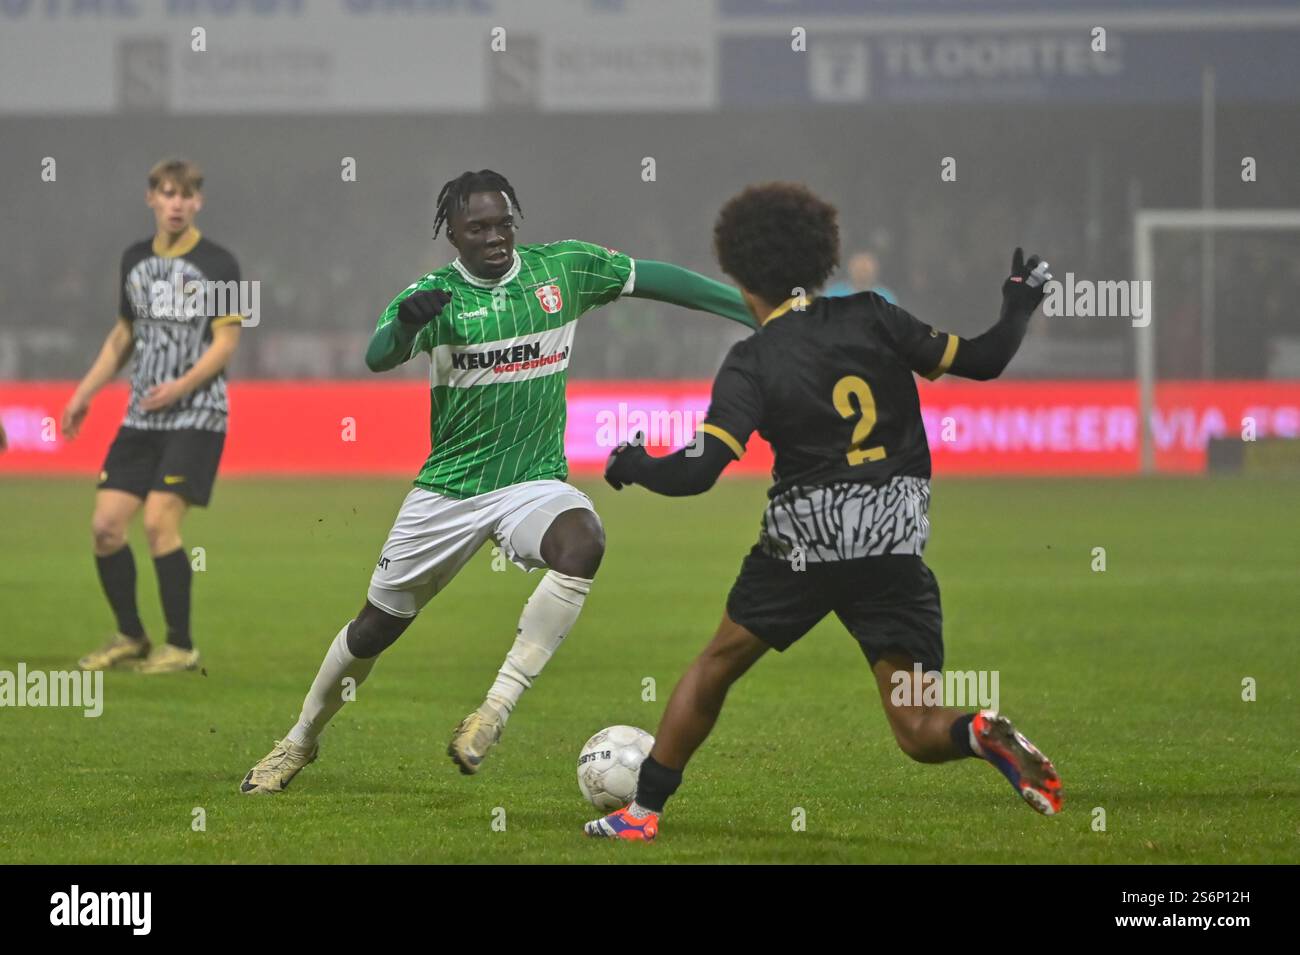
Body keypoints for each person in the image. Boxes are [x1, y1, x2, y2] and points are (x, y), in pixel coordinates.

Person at [240, 169, 758, 794]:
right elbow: (379, 355)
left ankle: (492, 712)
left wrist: (760, 313)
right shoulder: (433, 295)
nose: (494, 237)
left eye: (503, 224)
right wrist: (406, 324)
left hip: (532, 484)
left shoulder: (563, 270)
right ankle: (299, 741)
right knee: (374, 629)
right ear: (452, 234)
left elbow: (656, 279)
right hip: (450, 490)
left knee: (584, 542)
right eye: (477, 227)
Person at [588, 182, 1061, 841]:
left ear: (735, 268)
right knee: (919, 729)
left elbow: (697, 472)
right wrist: (1018, 302)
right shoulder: (874, 316)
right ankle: (976, 733)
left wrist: (633, 463)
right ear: (822, 259)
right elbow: (982, 359)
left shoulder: (752, 360)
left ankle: (642, 812)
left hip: (804, 547)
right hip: (894, 545)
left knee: (717, 663)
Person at [69, 158, 242, 675]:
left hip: (197, 413)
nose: (177, 204)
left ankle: (181, 645)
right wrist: (84, 393)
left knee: (159, 523)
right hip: (141, 415)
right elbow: (124, 334)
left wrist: (182, 386)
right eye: (168, 194)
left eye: (186, 196)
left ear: (198, 203)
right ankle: (130, 635)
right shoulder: (134, 259)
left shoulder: (219, 263)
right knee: (105, 528)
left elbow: (227, 340)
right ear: (151, 198)